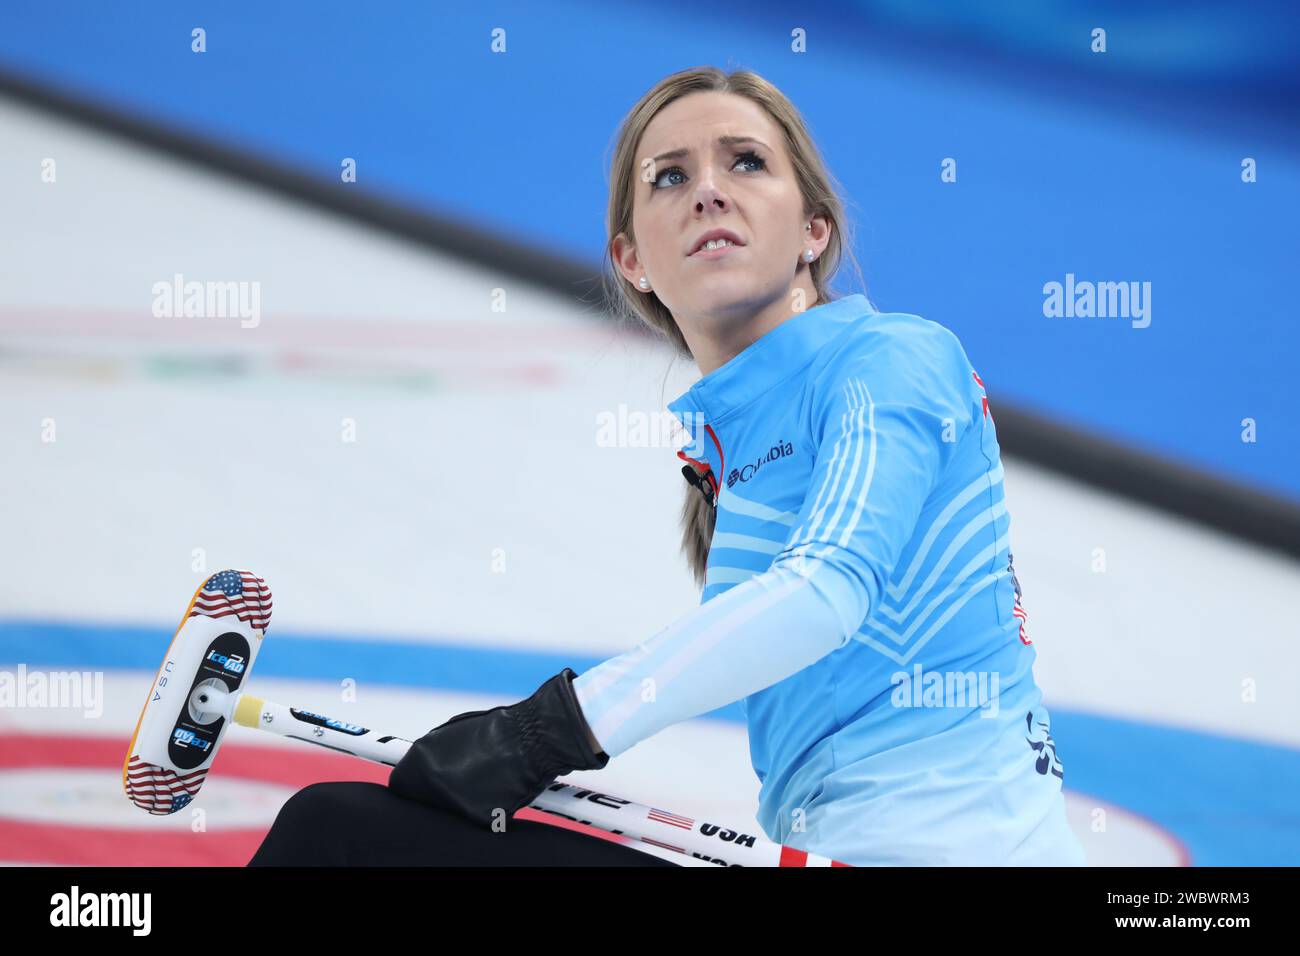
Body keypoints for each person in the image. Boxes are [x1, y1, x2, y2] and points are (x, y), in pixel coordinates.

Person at [250, 65, 1085, 867]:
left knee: (336, 834)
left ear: (813, 231)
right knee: (355, 832)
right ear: (632, 261)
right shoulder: (729, 457)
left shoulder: (895, 357)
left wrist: (547, 732)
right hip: (821, 852)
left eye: (747, 163)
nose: (710, 190)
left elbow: (826, 588)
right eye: (670, 178)